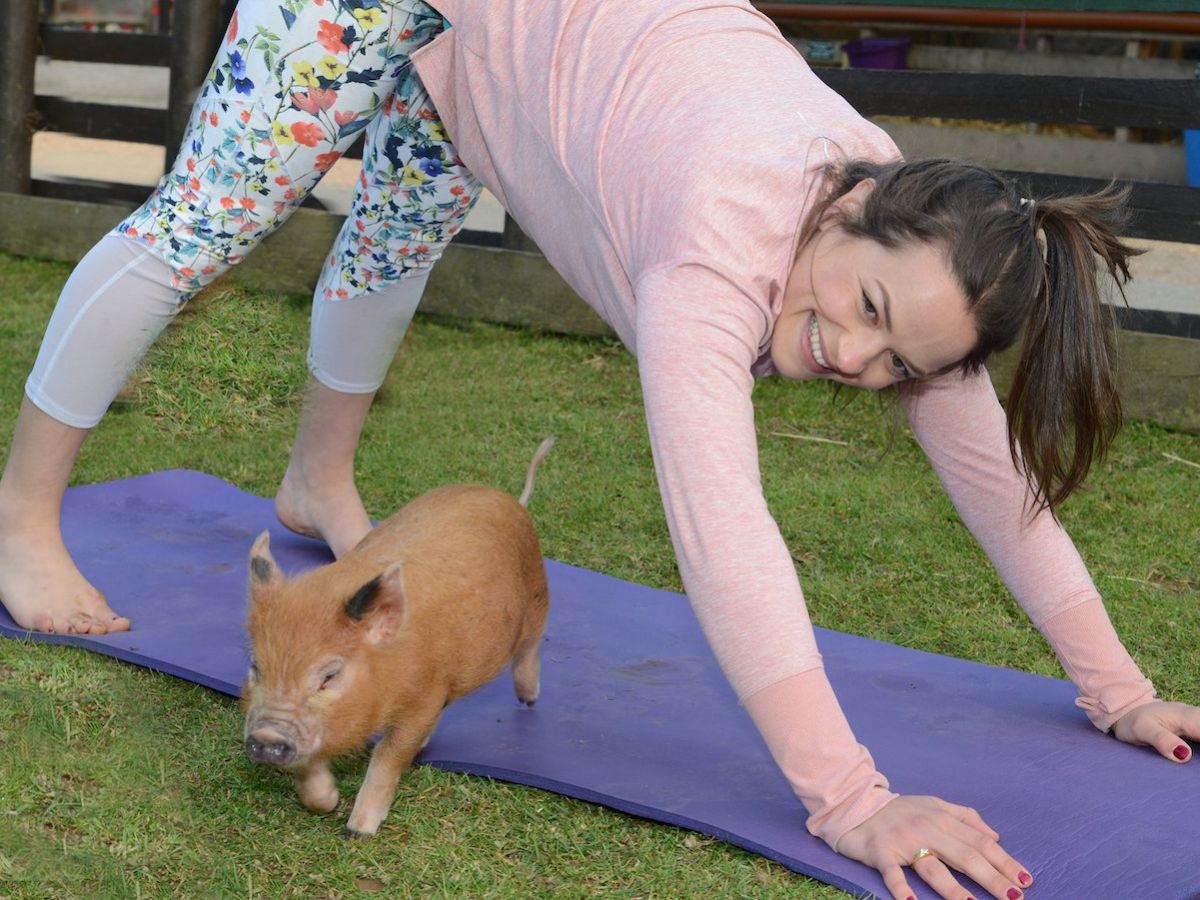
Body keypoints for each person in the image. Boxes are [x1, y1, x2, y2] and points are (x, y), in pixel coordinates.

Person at [0, 1, 1196, 897]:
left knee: (397, 234)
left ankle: (318, 477)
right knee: (217, 212)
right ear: (846, 209)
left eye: (895, 363)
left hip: (511, 40)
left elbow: (995, 477)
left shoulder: (914, 256)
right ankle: (22, 523)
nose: (851, 359)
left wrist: (1120, 690)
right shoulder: (712, 256)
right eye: (863, 315)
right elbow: (728, 536)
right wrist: (853, 802)